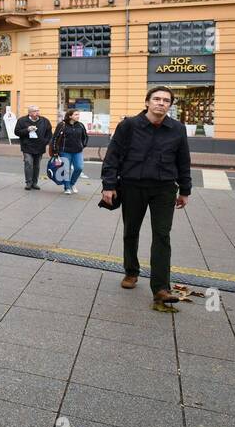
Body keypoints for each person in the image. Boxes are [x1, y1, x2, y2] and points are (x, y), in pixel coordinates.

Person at [101, 87, 192, 306]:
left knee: (162, 235)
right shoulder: (129, 125)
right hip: (133, 186)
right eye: (157, 99)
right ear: (147, 102)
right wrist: (109, 185)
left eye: (166, 100)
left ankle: (161, 287)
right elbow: (112, 156)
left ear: (170, 105)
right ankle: (131, 271)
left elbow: (183, 160)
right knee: (131, 231)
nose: (161, 103)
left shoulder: (177, 129)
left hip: (164, 188)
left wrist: (185, 190)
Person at [50, 108, 89, 195]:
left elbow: (85, 137)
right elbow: (55, 138)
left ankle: (72, 184)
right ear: (70, 116)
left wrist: (83, 145)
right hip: (65, 151)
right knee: (66, 169)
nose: (78, 116)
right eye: (76, 114)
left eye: (78, 114)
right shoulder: (62, 125)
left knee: (79, 167)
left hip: (78, 151)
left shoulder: (81, 125)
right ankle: (67, 187)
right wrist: (55, 151)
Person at [13, 105, 52, 190]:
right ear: (29, 113)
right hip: (27, 146)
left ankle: (35, 183)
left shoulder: (45, 121)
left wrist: (45, 142)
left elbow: (49, 133)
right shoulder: (22, 120)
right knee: (28, 163)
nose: (37, 113)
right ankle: (28, 183)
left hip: (40, 146)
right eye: (34, 111)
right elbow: (16, 132)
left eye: (38, 110)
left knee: (37, 165)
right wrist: (27, 130)